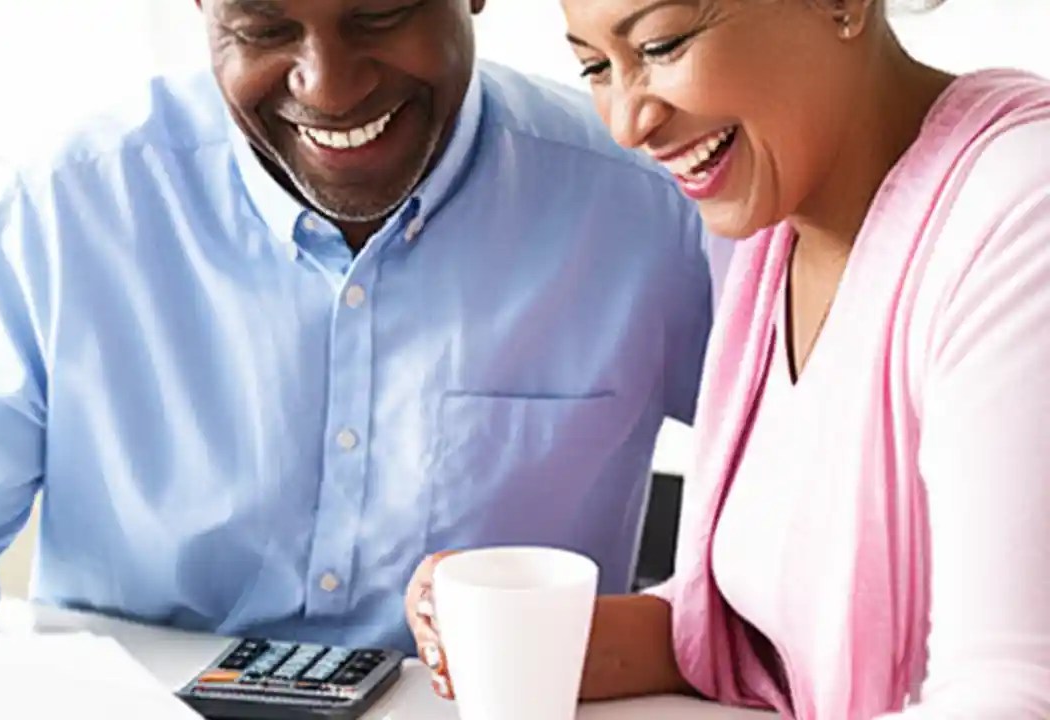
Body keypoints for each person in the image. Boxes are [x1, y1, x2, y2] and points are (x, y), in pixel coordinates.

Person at [0, 1, 718, 719]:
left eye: (379, 14)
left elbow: (808, 535)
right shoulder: (71, 209)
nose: (329, 85)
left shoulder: (649, 205)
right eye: (264, 26)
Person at [407, 0, 1050, 717]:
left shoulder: (1023, 213)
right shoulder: (778, 240)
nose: (626, 124)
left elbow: (1014, 696)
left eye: (661, 45)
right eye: (595, 67)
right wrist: (524, 628)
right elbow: (770, 633)